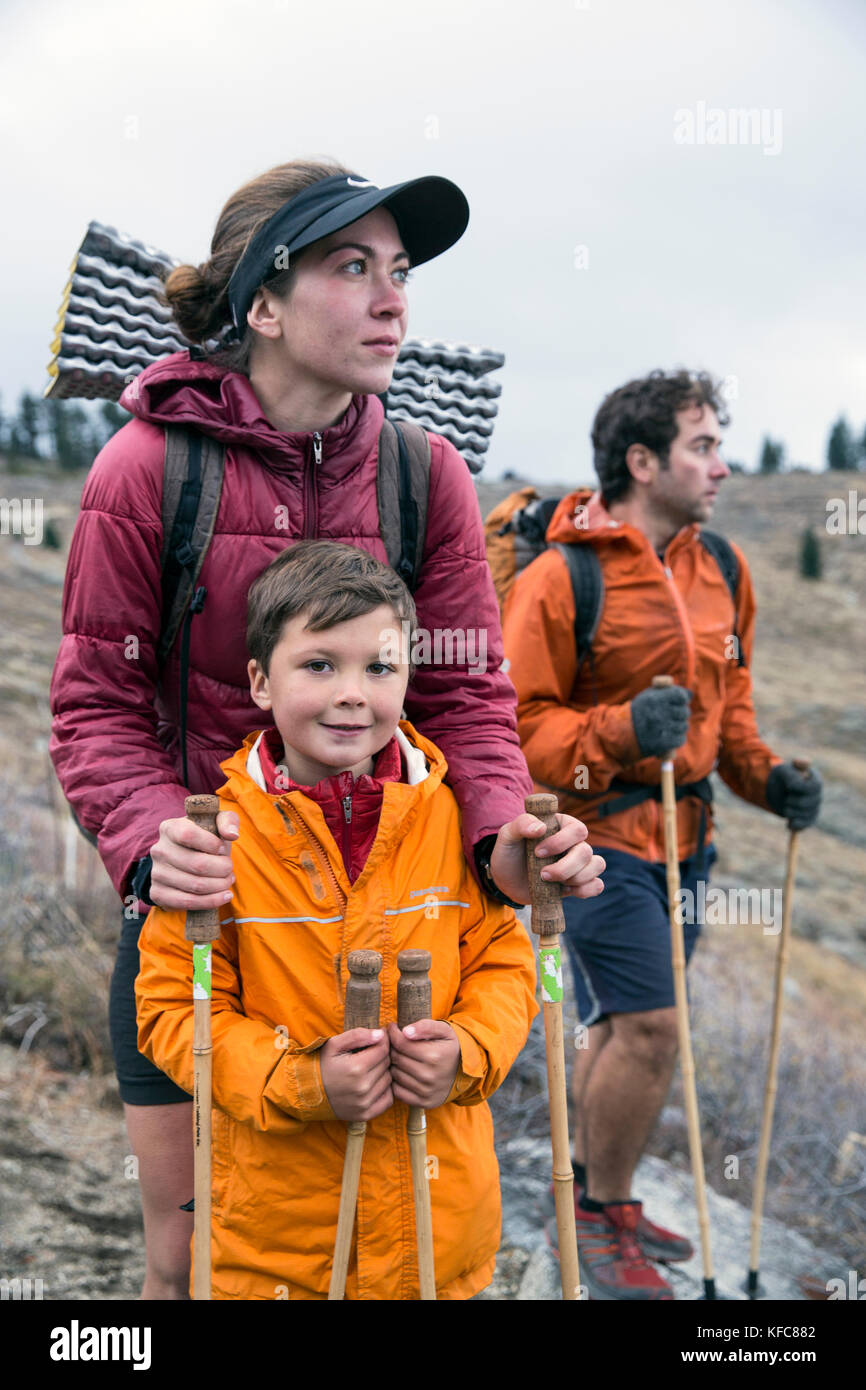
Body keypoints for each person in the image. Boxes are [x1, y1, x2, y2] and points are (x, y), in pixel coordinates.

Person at [50, 159, 605, 1299]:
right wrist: (162, 845)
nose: (394, 299)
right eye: (352, 268)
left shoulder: (423, 474)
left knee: (389, 1252)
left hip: (396, 901)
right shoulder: (147, 469)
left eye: (399, 272)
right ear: (262, 301)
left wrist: (501, 837)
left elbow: (463, 699)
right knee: (187, 1260)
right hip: (210, 926)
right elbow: (97, 701)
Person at [135, 539, 539, 1300]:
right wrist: (298, 1079)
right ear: (260, 679)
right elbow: (171, 1011)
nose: (353, 693)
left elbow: (506, 966)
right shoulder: (215, 840)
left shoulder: (452, 818)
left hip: (436, 1239)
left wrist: (469, 1049)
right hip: (278, 1252)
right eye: (320, 665)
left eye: (379, 668)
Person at [502, 369, 822, 1300]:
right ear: (642, 461)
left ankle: (600, 1198)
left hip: (690, 842)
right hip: (593, 841)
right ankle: (597, 1219)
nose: (722, 465)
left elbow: (730, 719)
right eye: (703, 446)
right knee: (649, 1028)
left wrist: (771, 781)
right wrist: (620, 735)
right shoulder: (565, 576)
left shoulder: (721, 568)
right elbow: (517, 729)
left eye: (720, 443)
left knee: (619, 1029)